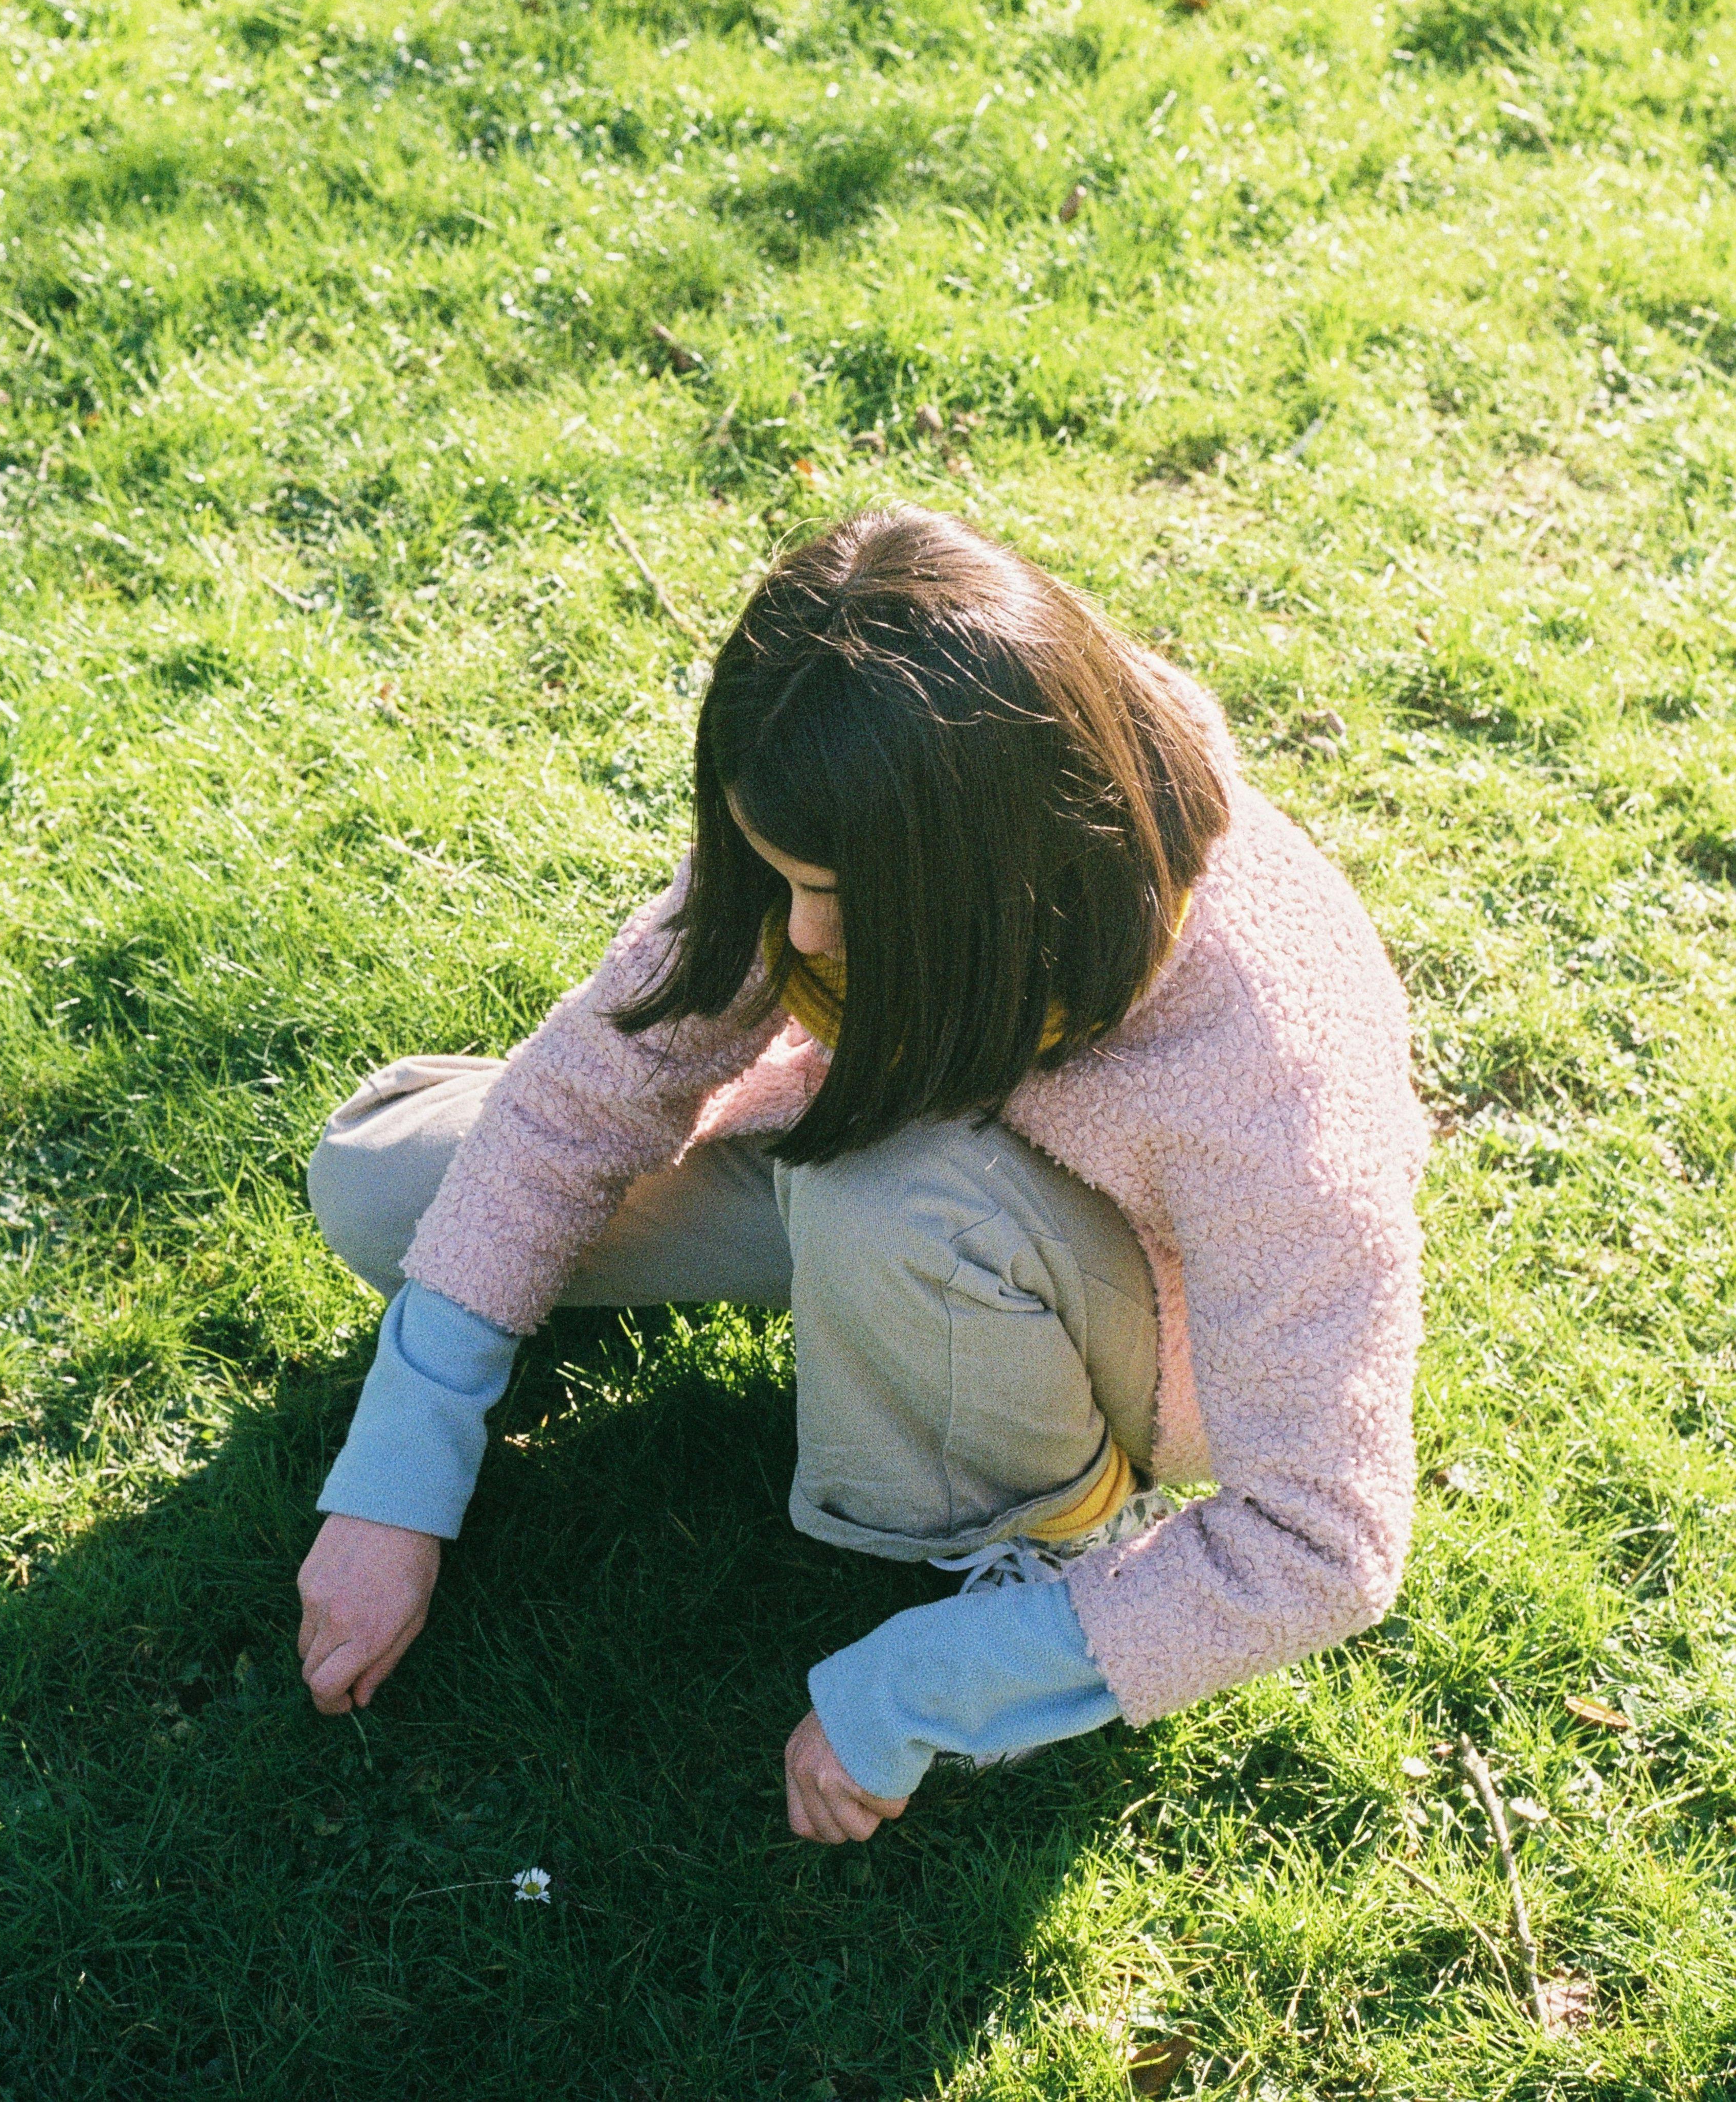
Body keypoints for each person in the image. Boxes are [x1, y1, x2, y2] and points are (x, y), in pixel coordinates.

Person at [295, 508, 1425, 1844]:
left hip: (1119, 1307)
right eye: (772, 873)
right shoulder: (872, 793)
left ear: (988, 874)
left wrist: (924, 1685)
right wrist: (394, 1485)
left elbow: (1325, 1542)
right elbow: (579, 1101)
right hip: (884, 1144)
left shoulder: (1274, 1084)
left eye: (829, 891)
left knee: (890, 1196)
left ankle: (1036, 1521)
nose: (800, 934)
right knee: (381, 1183)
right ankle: (887, 1303)